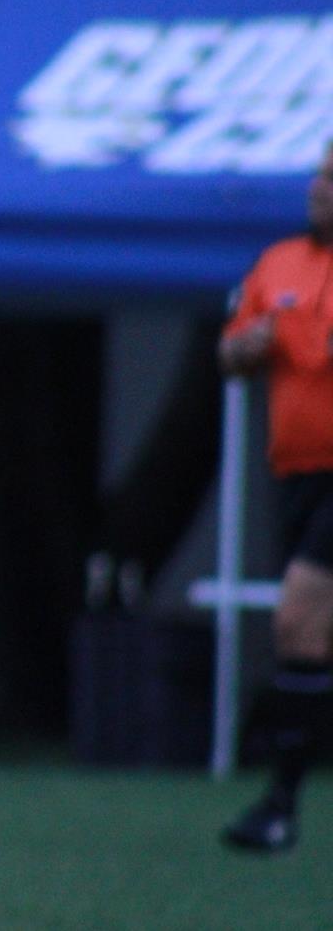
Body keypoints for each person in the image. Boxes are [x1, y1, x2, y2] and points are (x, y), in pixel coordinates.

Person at [219, 140, 333, 854]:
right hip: (294, 472)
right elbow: (229, 355)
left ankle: (278, 802)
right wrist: (249, 345)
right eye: (320, 175)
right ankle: (283, 808)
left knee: (297, 614)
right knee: (310, 634)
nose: (320, 189)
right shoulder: (278, 261)